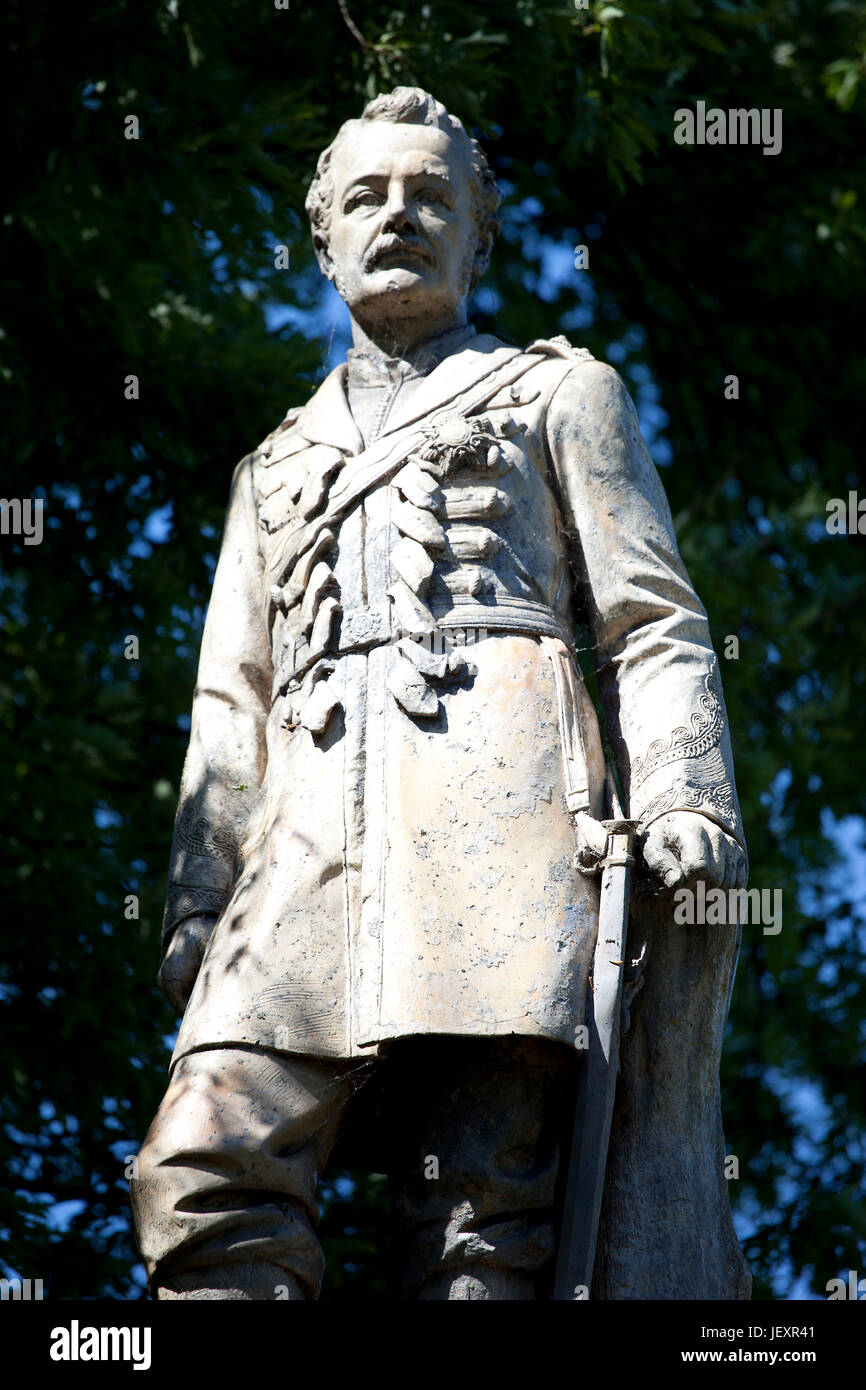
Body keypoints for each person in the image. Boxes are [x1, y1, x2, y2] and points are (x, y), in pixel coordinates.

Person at [131, 87, 750, 1301]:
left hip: (503, 826)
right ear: (324, 237)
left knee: (482, 1208)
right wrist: (197, 901)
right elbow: (230, 701)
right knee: (203, 1166)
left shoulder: (560, 394)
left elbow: (650, 620)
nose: (398, 215)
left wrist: (683, 792)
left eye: (431, 195)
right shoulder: (273, 463)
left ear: (480, 233)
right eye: (366, 195)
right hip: (297, 863)